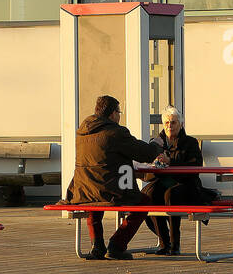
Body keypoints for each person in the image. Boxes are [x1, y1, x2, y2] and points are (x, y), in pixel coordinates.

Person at [64, 95, 166, 260]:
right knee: (144, 202)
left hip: (83, 190)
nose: (120, 116)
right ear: (112, 114)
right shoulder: (115, 132)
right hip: (112, 189)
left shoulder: (82, 133)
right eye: (119, 112)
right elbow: (144, 153)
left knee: (94, 200)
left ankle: (97, 246)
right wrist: (156, 145)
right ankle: (117, 245)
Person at [140, 106, 211, 255]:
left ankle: (174, 244)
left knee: (171, 195)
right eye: (166, 123)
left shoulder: (190, 143)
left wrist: (170, 162)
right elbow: (147, 172)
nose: (169, 126)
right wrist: (154, 165)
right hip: (161, 181)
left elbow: (196, 166)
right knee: (148, 196)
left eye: (173, 122)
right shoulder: (156, 143)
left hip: (185, 184)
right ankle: (164, 243)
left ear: (181, 124)